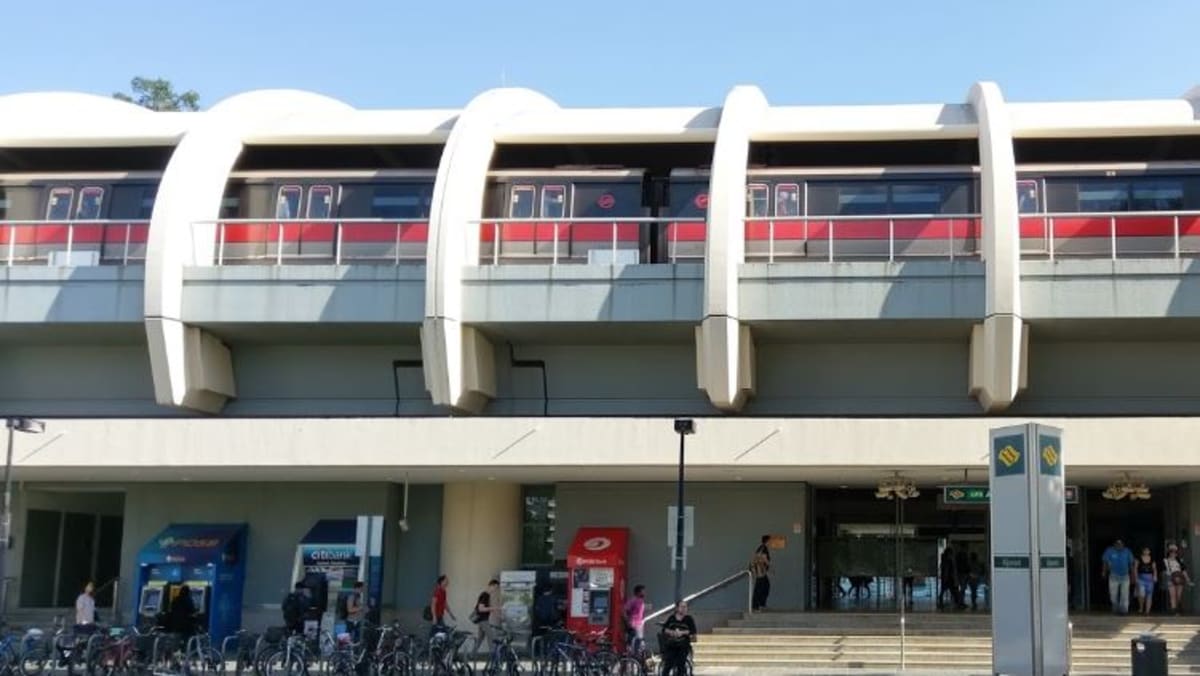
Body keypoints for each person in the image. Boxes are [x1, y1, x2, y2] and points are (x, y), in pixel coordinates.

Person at [659, 601, 697, 676]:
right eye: (682, 607)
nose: (684, 609)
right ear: (677, 608)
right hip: (672, 645)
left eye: (685, 607)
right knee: (668, 665)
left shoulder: (689, 619)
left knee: (681, 665)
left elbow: (693, 632)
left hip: (683, 646)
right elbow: (664, 629)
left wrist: (682, 633)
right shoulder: (672, 618)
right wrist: (672, 632)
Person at [1101, 538, 1135, 615]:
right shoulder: (1109, 551)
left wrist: (1133, 575)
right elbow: (1105, 562)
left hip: (1125, 576)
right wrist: (1104, 572)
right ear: (1114, 544)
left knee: (1125, 594)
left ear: (1123, 545)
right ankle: (1115, 608)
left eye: (1120, 544)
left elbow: (1131, 564)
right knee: (1113, 595)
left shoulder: (1127, 551)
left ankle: (1124, 610)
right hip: (1113, 576)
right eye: (1117, 544)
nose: (1119, 545)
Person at [1163, 543, 1194, 616]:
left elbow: (1184, 571)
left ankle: (1178, 608)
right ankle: (1174, 611)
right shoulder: (1165, 561)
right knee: (1172, 595)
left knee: (1178, 596)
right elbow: (1165, 571)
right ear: (1169, 553)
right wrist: (1168, 580)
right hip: (1171, 578)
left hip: (1180, 578)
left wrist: (1188, 580)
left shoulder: (1179, 561)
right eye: (1172, 552)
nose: (1173, 554)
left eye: (1175, 552)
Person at [472, 579, 500, 649]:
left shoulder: (487, 595)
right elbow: (481, 609)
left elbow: (490, 609)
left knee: (480, 639)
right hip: (483, 620)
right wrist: (494, 608)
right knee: (491, 637)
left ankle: (472, 654)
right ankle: (493, 654)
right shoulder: (485, 595)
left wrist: (499, 616)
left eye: (497, 588)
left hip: (482, 620)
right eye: (495, 587)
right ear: (491, 586)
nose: (495, 590)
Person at [623, 584, 647, 653]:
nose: (645, 593)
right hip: (633, 625)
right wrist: (627, 622)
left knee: (639, 642)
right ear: (638, 592)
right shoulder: (633, 601)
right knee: (633, 642)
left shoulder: (641, 601)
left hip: (639, 625)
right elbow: (624, 611)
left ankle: (636, 656)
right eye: (643, 591)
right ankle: (631, 657)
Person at [750, 535, 771, 611]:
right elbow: (763, 559)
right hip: (760, 571)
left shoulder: (761, 548)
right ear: (767, 541)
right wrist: (770, 567)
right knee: (761, 587)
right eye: (770, 541)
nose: (770, 543)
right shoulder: (763, 548)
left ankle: (760, 604)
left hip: (760, 571)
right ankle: (757, 605)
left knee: (764, 586)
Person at [938, 546, 963, 611]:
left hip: (947, 578)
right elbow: (948, 570)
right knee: (954, 591)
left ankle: (942, 602)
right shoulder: (948, 560)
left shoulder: (945, 560)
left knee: (947, 591)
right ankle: (958, 603)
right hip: (950, 579)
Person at [1135, 547, 1157, 615]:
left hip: (1150, 579)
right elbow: (1135, 568)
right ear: (1143, 551)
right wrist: (1136, 577)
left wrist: (1155, 576)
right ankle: (1141, 608)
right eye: (1145, 550)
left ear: (1149, 551)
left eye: (1148, 550)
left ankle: (1147, 611)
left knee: (1149, 594)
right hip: (1141, 578)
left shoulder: (1152, 559)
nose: (1146, 551)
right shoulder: (1138, 559)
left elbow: (1154, 568)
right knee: (1141, 594)